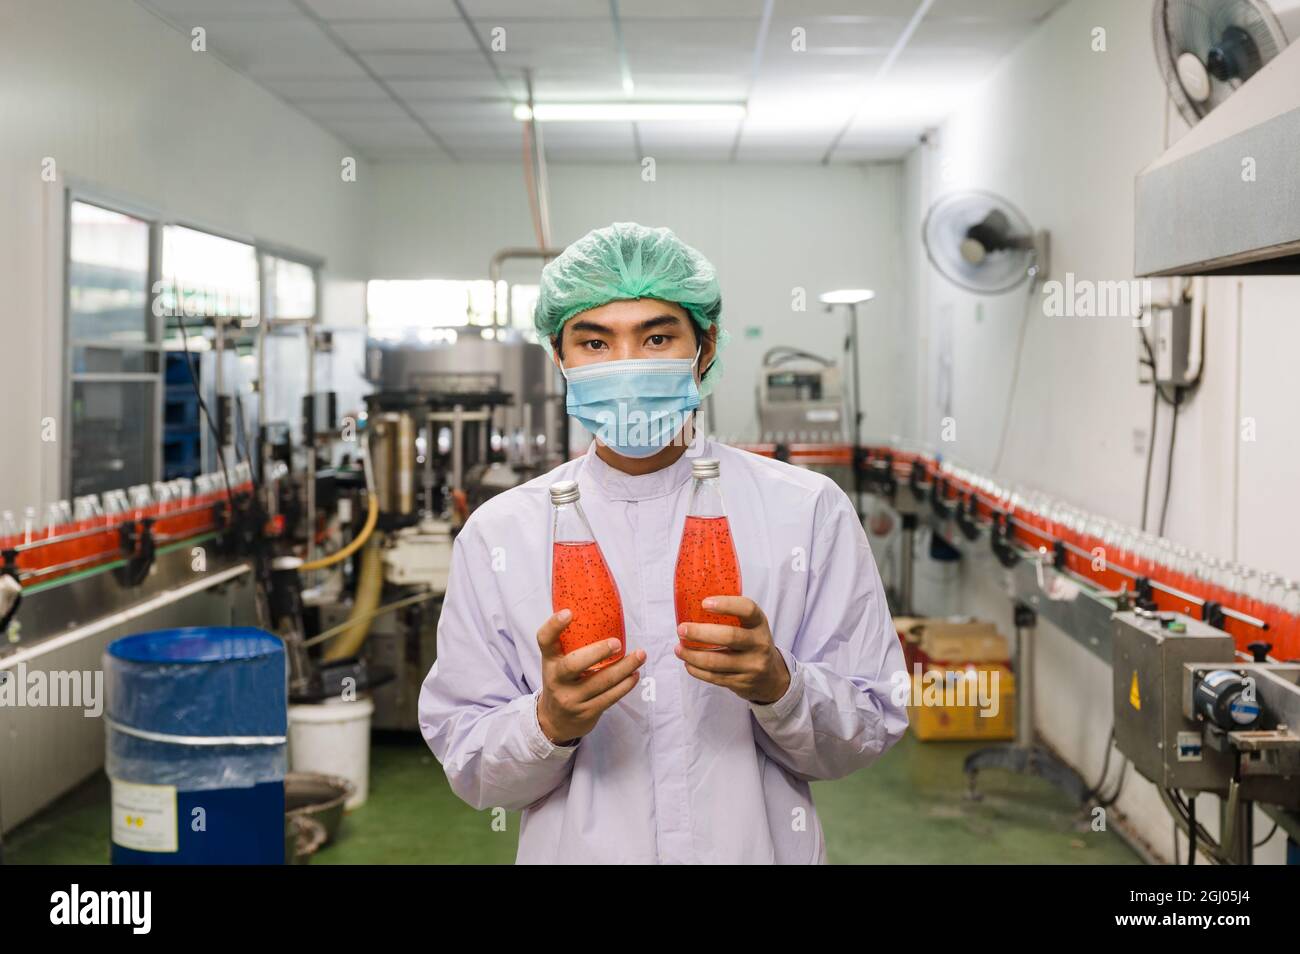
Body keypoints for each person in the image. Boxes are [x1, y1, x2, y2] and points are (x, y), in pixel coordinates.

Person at [419, 222, 907, 863]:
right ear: (560, 358)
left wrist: (779, 685)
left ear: (703, 348)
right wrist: (549, 724)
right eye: (595, 341)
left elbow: (869, 725)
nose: (627, 364)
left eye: (656, 337)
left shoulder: (807, 510)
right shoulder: (501, 534)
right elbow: (470, 758)